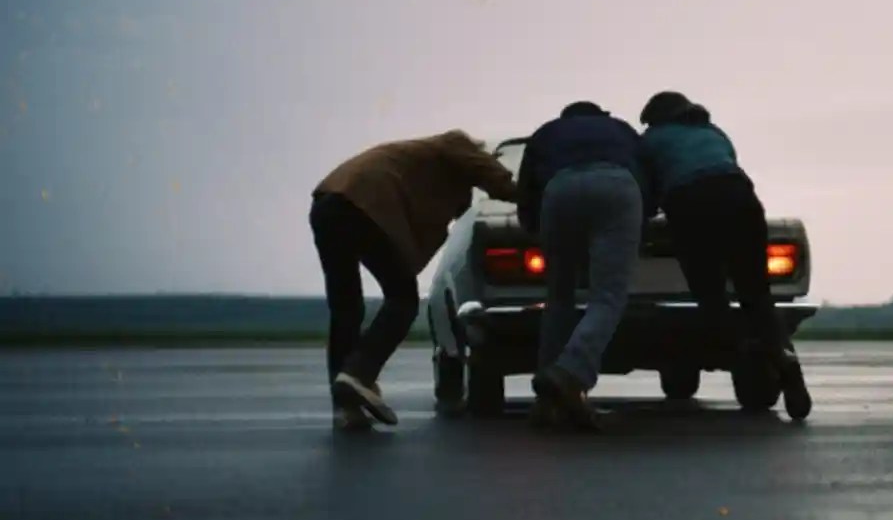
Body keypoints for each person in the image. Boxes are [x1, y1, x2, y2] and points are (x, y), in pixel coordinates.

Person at [311, 129, 517, 430]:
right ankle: (358, 374)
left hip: (327, 204)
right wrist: (528, 194)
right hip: (362, 203)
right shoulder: (456, 142)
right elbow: (494, 177)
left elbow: (448, 214)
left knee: (346, 308)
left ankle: (345, 405)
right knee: (403, 299)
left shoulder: (423, 167)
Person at [638, 91, 812, 421]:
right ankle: (785, 361)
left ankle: (743, 353)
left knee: (711, 295)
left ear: (656, 118)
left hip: (691, 203)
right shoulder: (714, 133)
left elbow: (645, 190)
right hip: (742, 199)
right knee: (756, 295)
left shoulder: (652, 140)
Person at [516, 101, 653, 431]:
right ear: (600, 115)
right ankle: (569, 371)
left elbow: (527, 186)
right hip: (616, 186)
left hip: (559, 189)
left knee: (559, 297)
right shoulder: (621, 129)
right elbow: (649, 174)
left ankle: (548, 404)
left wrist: (532, 226)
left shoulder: (547, 131)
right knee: (607, 296)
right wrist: (642, 217)